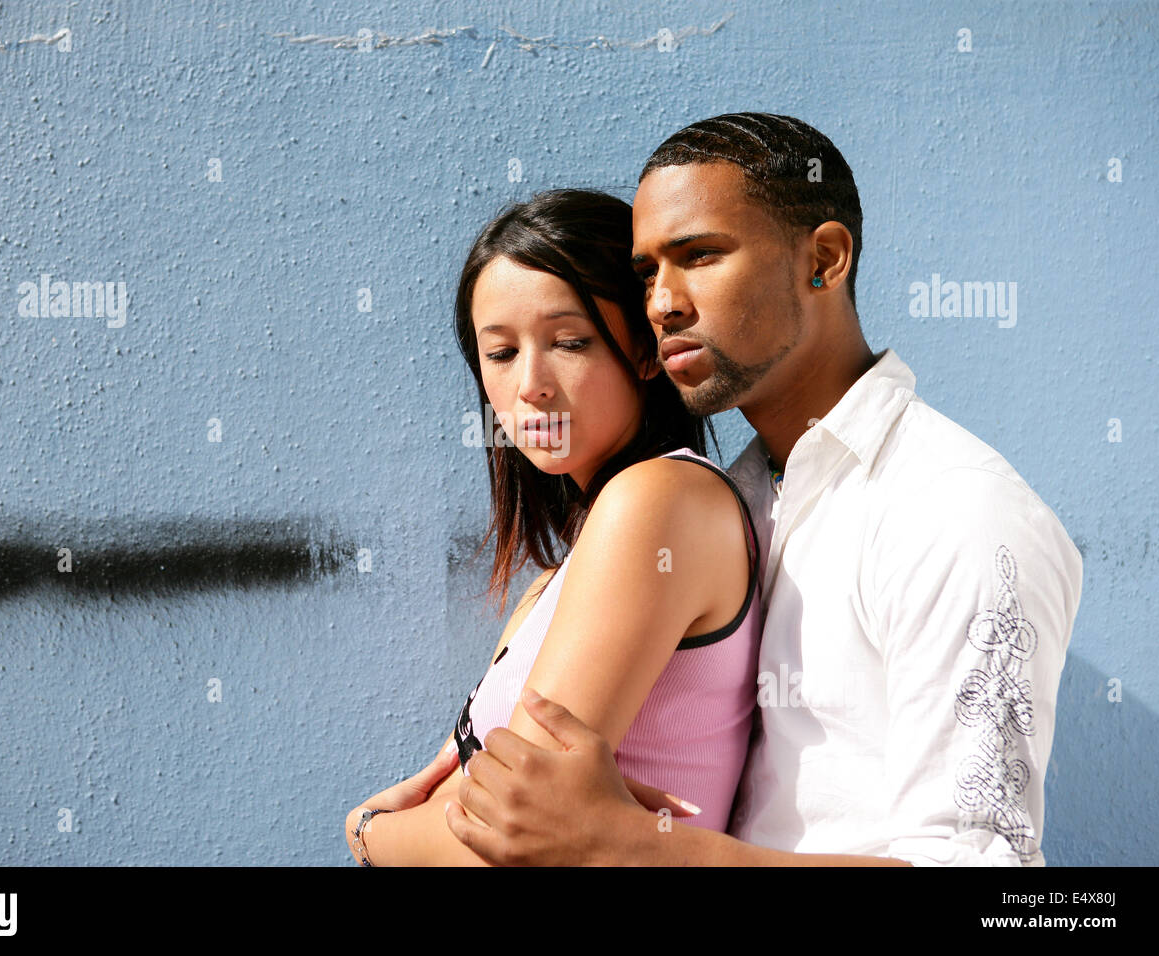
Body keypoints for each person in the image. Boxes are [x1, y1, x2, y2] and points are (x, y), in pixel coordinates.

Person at [432, 113, 1084, 866]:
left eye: (699, 256)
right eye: (647, 273)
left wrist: (637, 847)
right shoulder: (737, 502)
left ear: (825, 259)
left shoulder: (958, 512)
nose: (662, 304)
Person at [343, 188, 764, 865]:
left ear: (647, 352)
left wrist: (365, 829)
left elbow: (512, 834)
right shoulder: (552, 583)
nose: (531, 384)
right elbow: (468, 806)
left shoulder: (659, 499)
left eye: (569, 341)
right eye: (501, 353)